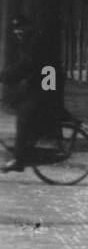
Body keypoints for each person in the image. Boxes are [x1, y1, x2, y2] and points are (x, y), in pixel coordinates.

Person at [1, 17, 59, 172]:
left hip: (44, 87)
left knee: (24, 119)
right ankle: (26, 149)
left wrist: (4, 75)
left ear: (27, 28)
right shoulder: (34, 40)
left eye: (20, 30)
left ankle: (18, 160)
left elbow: (25, 65)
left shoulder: (34, 43)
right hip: (43, 84)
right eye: (16, 31)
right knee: (19, 106)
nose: (17, 34)